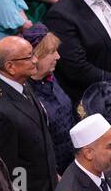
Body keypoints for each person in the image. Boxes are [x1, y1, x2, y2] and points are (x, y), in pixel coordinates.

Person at [0, 35, 59, 191]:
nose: (35, 60)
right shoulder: (0, 110)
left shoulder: (23, 85)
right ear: (10, 67)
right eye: (28, 57)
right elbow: (10, 168)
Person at [24, 24, 75, 172]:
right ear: (36, 56)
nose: (58, 56)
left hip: (73, 158)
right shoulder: (26, 91)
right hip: (53, 169)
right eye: (52, 52)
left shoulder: (51, 77)